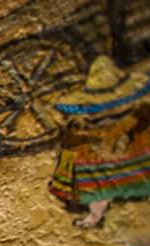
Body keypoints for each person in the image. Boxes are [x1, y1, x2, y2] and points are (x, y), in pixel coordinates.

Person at [47, 55, 150, 228]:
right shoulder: (83, 127)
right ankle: (95, 213)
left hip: (131, 152)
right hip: (101, 161)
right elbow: (70, 139)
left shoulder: (139, 115)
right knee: (92, 179)